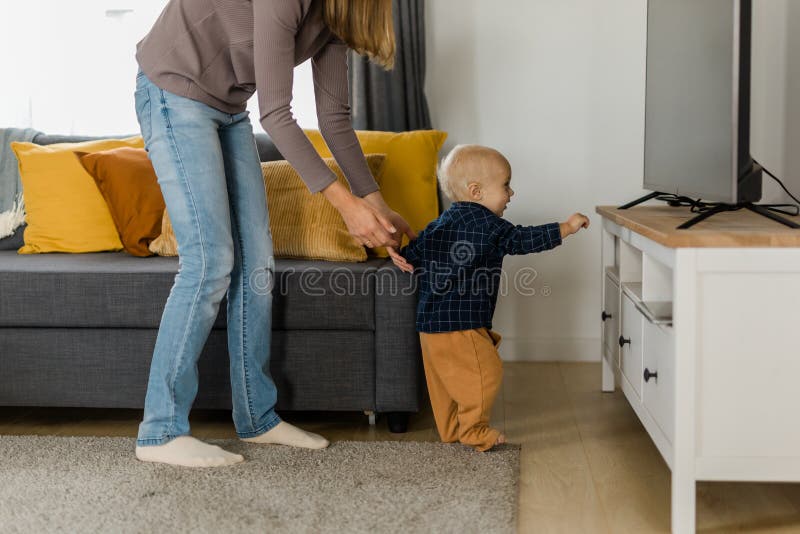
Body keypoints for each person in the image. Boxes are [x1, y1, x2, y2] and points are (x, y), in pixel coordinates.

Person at [133, 0, 415, 468]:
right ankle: (160, 431)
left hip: (227, 106)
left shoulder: (334, 16)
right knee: (210, 261)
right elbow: (277, 115)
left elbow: (335, 120)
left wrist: (376, 205)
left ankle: (257, 418)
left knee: (257, 263)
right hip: (174, 91)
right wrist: (346, 207)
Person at [396, 145, 589, 451]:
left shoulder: (438, 223)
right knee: (485, 372)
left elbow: (413, 255)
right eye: (506, 185)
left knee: (444, 383)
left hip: (428, 324)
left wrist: (396, 253)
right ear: (476, 191)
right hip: (461, 323)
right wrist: (564, 228)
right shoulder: (487, 225)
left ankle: (451, 429)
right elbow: (522, 240)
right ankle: (474, 429)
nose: (511, 193)